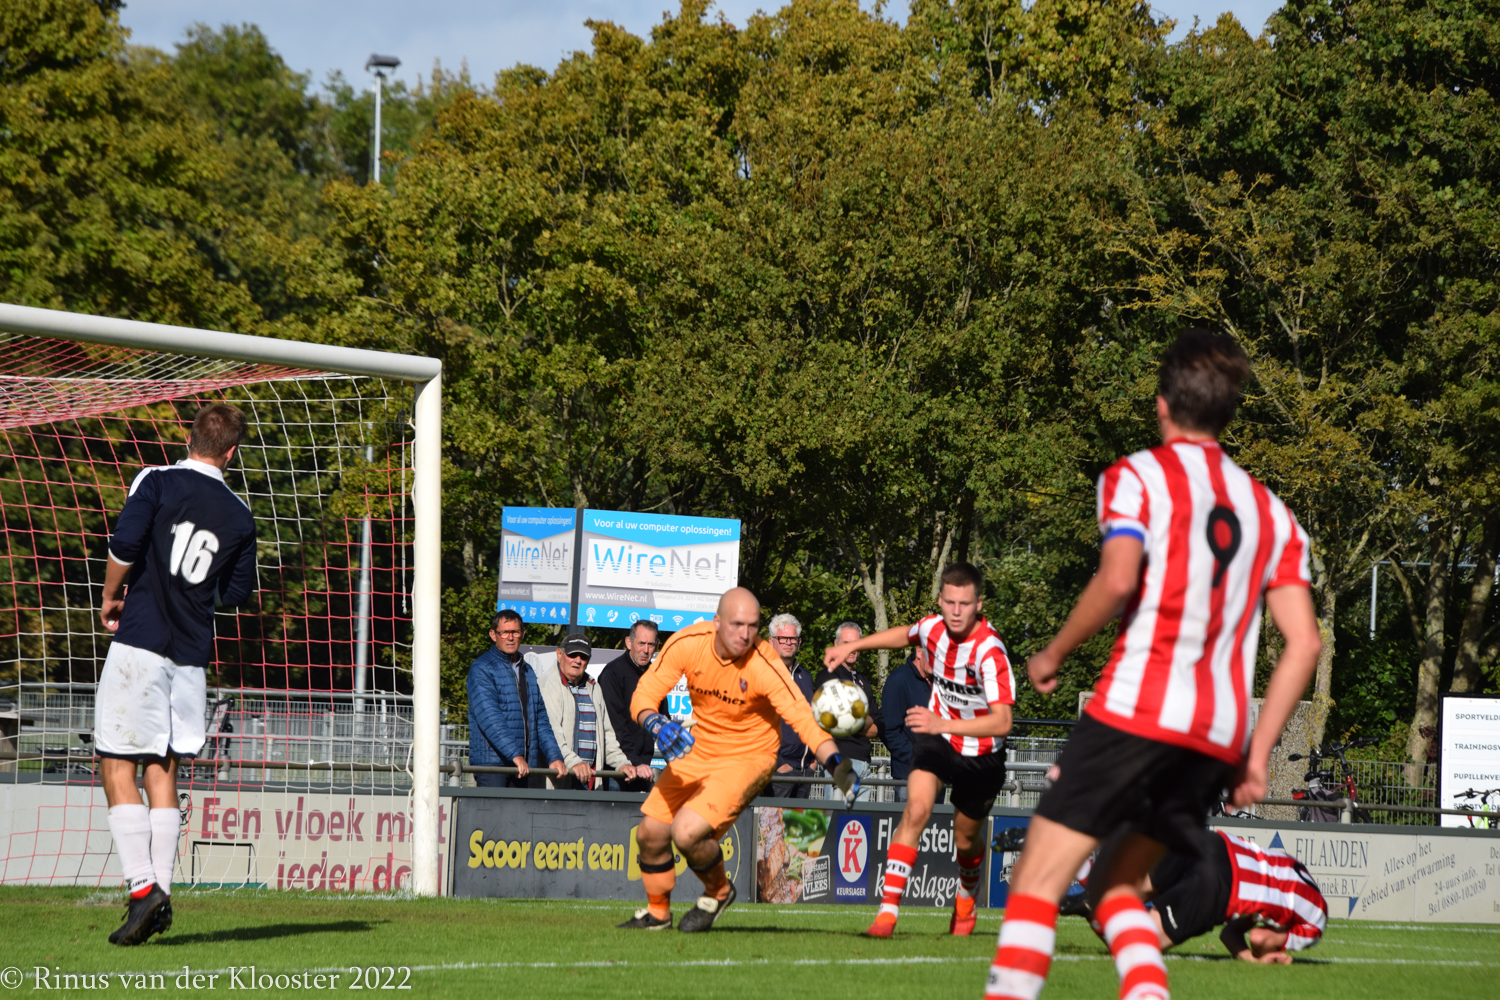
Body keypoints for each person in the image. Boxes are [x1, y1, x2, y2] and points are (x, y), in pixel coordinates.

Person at [984, 329, 1322, 1000]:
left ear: (1163, 405)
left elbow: (1115, 584)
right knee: (1113, 887)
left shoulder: (1138, 477)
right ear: (1229, 413)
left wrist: (1053, 652)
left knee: (1036, 883)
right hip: (1217, 737)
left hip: (1139, 710)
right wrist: (1256, 755)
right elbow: (1304, 644)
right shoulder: (1270, 512)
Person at [94, 404, 260, 946]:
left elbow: (124, 544)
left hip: (141, 641)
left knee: (115, 761)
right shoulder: (240, 514)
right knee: (162, 765)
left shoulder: (157, 479)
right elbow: (236, 594)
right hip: (191, 656)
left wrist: (112, 594)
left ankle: (143, 888)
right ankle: (159, 898)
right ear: (231, 453)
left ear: (190, 437)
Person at [620, 587, 857, 933]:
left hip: (749, 757)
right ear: (716, 622)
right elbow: (645, 693)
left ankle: (719, 891)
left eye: (753, 626)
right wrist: (654, 721)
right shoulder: (687, 642)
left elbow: (803, 719)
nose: (745, 634)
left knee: (686, 831)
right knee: (650, 833)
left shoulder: (764, 663)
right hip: (700, 748)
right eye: (736, 624)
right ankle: (658, 913)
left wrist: (838, 766)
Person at [823, 562, 1015, 939]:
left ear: (979, 603)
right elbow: (904, 635)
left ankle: (967, 892)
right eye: (949, 602)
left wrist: (942, 723)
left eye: (964, 603)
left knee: (965, 839)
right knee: (916, 809)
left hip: (981, 751)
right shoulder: (932, 628)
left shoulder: (990, 652)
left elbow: (1003, 721)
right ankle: (887, 915)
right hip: (938, 737)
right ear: (940, 600)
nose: (956, 611)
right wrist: (854, 644)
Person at [1099, 826, 1327, 963]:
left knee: (1121, 895)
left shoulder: (1291, 876)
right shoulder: (1314, 924)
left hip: (1214, 843)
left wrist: (1246, 957)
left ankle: (1088, 891)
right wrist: (1264, 956)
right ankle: (1089, 911)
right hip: (1222, 882)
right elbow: (1259, 939)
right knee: (1132, 946)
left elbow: (1229, 934)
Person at [466, 609, 566, 789]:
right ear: (493, 635)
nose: (510, 637)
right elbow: (489, 717)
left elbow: (540, 719)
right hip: (493, 766)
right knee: (493, 817)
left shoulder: (528, 671)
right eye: (504, 632)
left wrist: (554, 756)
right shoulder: (481, 669)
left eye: (515, 632)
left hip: (524, 765)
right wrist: (515, 754)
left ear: (523, 634)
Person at [533, 632, 629, 789]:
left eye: (583, 657)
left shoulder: (594, 686)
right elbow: (551, 734)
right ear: (559, 654)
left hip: (589, 779)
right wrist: (574, 762)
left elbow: (607, 735)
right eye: (572, 654)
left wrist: (622, 763)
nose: (577, 660)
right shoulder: (548, 684)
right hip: (560, 780)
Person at [812, 622, 880, 802]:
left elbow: (878, 726)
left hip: (865, 764)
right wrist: (865, 721)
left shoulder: (863, 681)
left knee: (860, 827)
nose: (851, 649)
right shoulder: (828, 675)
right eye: (846, 643)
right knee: (837, 825)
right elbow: (840, 718)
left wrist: (854, 719)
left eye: (855, 644)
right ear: (836, 644)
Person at [597, 620, 661, 792]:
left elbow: (662, 722)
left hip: (643, 769)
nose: (645, 650)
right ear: (628, 642)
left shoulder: (656, 675)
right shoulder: (613, 674)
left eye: (650, 644)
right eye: (641, 643)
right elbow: (616, 726)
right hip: (617, 770)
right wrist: (635, 762)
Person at [880, 646, 942, 805]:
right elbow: (889, 730)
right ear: (919, 652)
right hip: (909, 778)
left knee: (936, 827)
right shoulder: (899, 680)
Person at [767, 613, 816, 799]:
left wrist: (813, 760)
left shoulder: (806, 676)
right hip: (778, 772)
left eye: (792, 638)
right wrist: (779, 764)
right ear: (771, 641)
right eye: (783, 638)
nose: (788, 642)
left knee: (800, 828)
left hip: (805, 770)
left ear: (799, 641)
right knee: (773, 828)